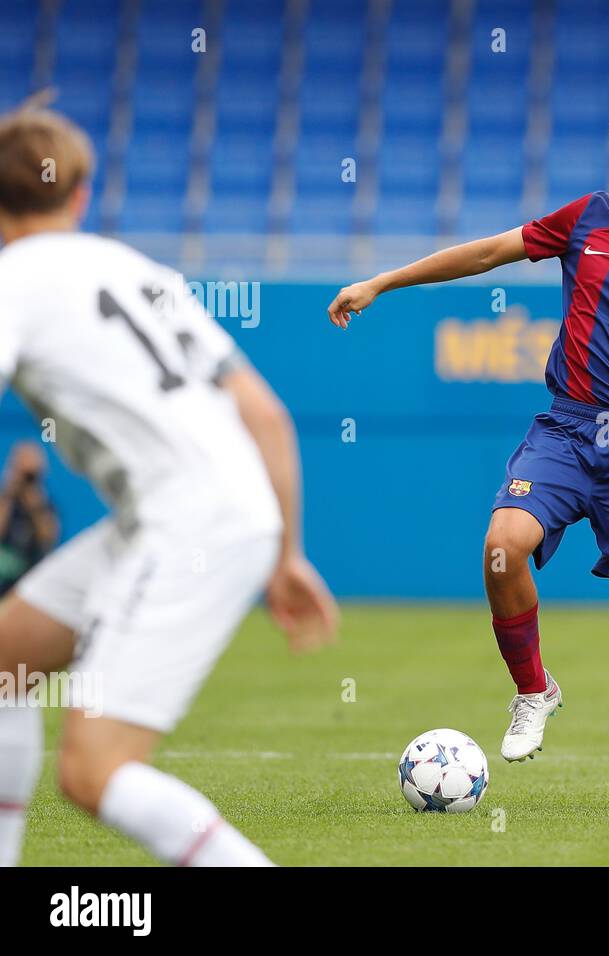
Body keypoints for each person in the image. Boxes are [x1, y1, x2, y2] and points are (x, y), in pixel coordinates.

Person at [327, 99, 609, 811]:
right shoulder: (587, 219)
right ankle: (534, 691)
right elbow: (489, 251)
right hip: (567, 428)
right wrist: (381, 281)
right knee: (502, 546)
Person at [0, 103, 338, 867]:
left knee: (93, 771)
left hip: (187, 523)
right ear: (79, 196)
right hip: (209, 512)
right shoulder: (135, 269)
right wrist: (287, 553)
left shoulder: (12, 283)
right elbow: (268, 416)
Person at [0, 442, 58, 596]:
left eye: (30, 476)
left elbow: (48, 538)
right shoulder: (5, 499)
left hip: (25, 588)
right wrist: (9, 493)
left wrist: (35, 502)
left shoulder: (44, 507)